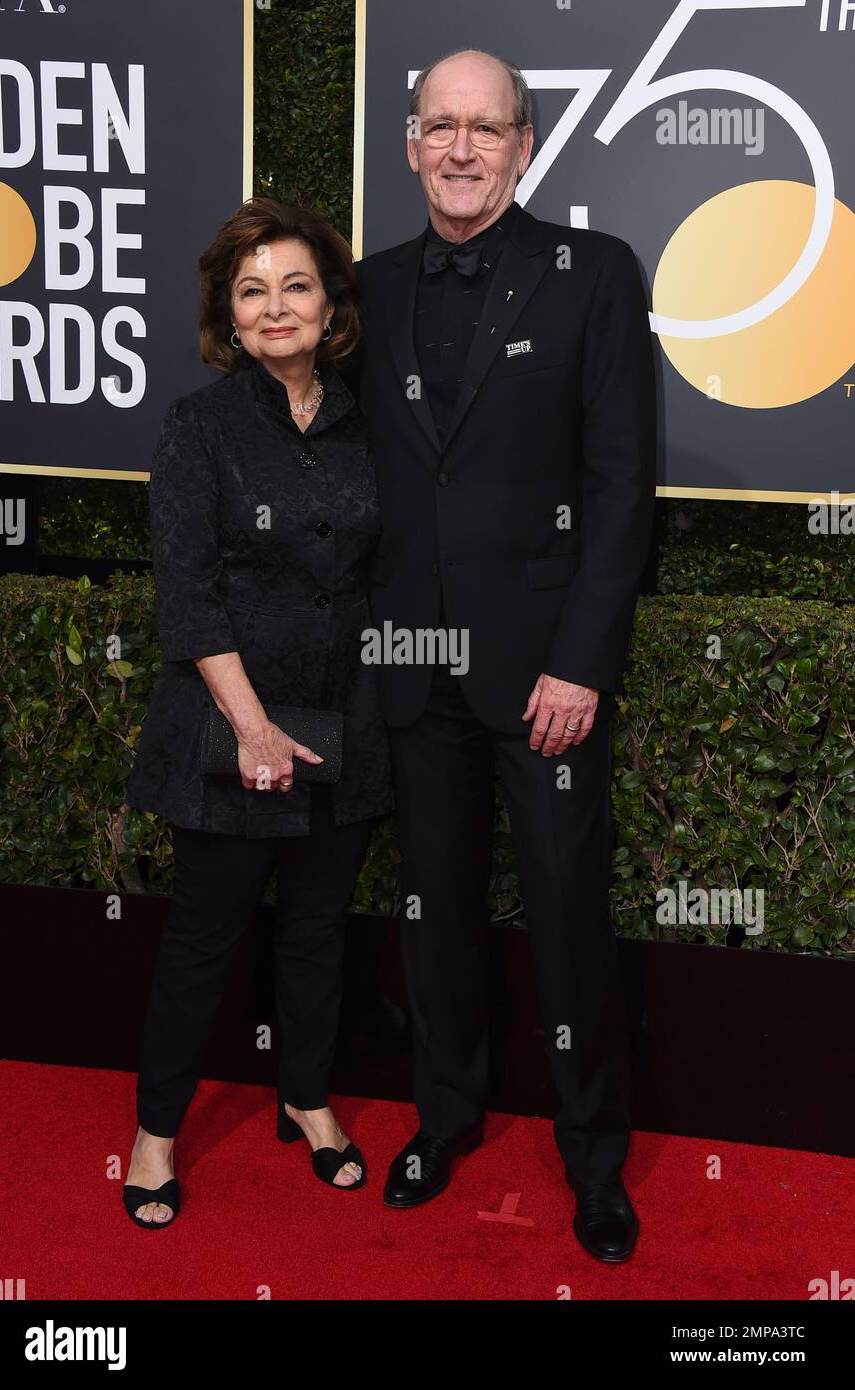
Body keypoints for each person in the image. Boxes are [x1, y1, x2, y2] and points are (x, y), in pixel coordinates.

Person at [350, 49, 657, 1261]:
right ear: (413, 145)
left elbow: (621, 482)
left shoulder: (591, 276)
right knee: (436, 914)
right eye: (441, 127)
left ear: (526, 144)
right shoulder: (366, 292)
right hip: (414, 668)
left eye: (487, 128)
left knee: (570, 918)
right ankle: (443, 1116)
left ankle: (594, 1159)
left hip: (544, 676)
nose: (463, 148)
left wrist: (582, 661)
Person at [122, 197, 393, 1226]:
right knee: (203, 938)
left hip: (348, 718)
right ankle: (154, 1131)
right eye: (252, 291)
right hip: (232, 723)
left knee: (319, 929)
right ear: (228, 319)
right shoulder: (198, 426)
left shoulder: (368, 419)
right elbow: (187, 595)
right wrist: (251, 729)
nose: (276, 306)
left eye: (296, 285)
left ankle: (309, 1099)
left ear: (329, 306)